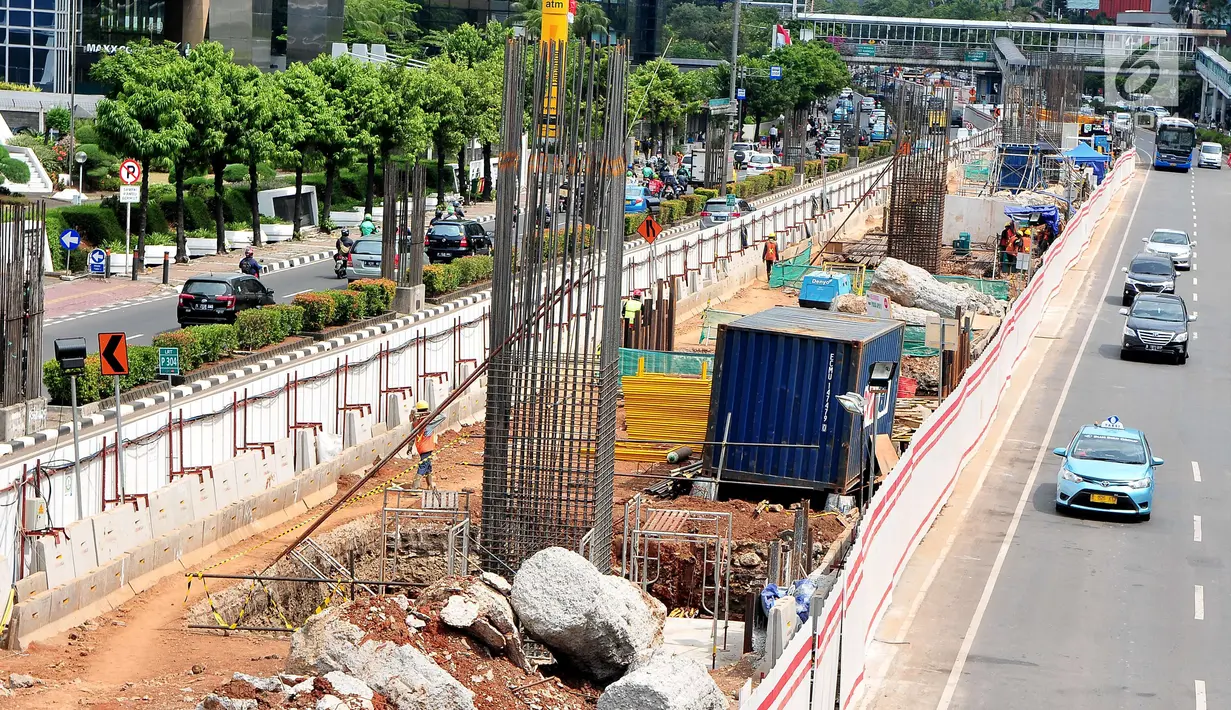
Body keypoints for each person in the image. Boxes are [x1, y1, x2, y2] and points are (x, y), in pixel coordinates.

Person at [412, 400, 439, 489]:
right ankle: (414, 487)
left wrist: (409, 446)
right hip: (427, 447)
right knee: (423, 465)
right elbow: (443, 416)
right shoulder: (428, 423)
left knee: (428, 465)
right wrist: (431, 413)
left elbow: (411, 435)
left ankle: (430, 484)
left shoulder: (416, 422)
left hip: (420, 447)